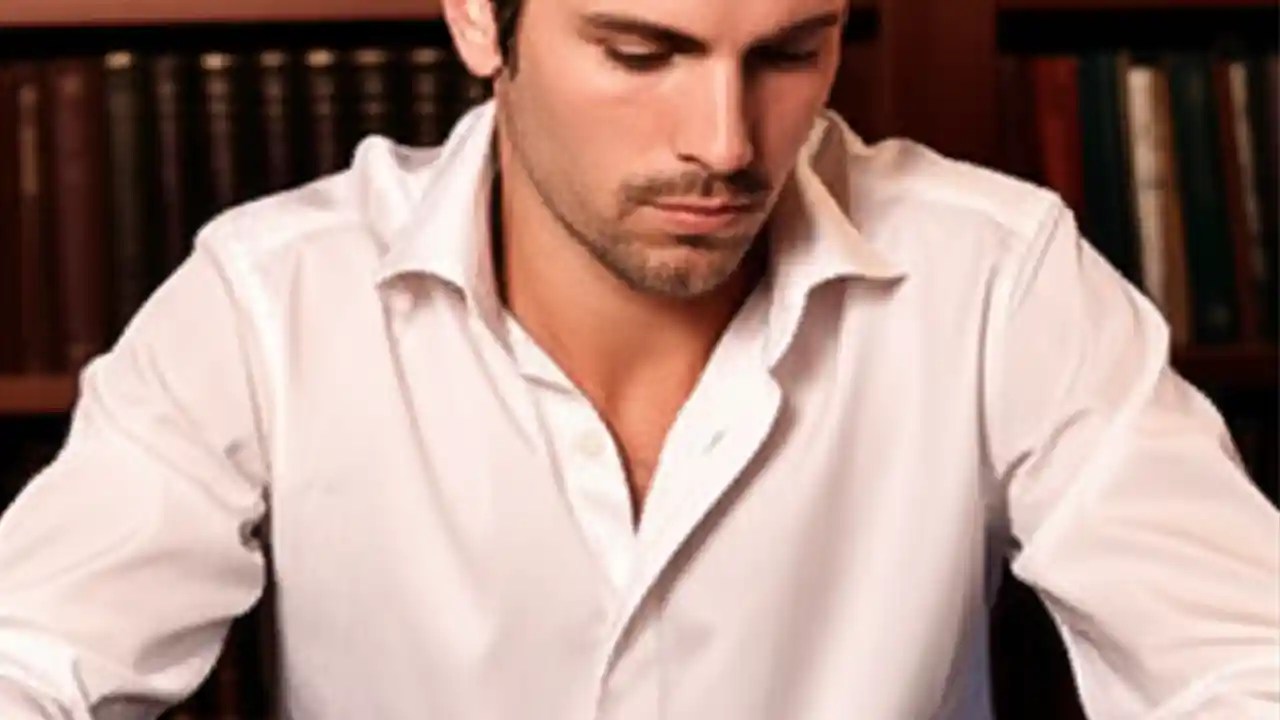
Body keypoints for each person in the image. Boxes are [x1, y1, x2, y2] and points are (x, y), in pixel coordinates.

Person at [1, 0, 1277, 716]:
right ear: (478, 23)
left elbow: (1239, 662)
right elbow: (34, 659)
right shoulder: (268, 299)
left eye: (787, 54)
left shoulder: (995, 272)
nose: (724, 142)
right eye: (640, 53)